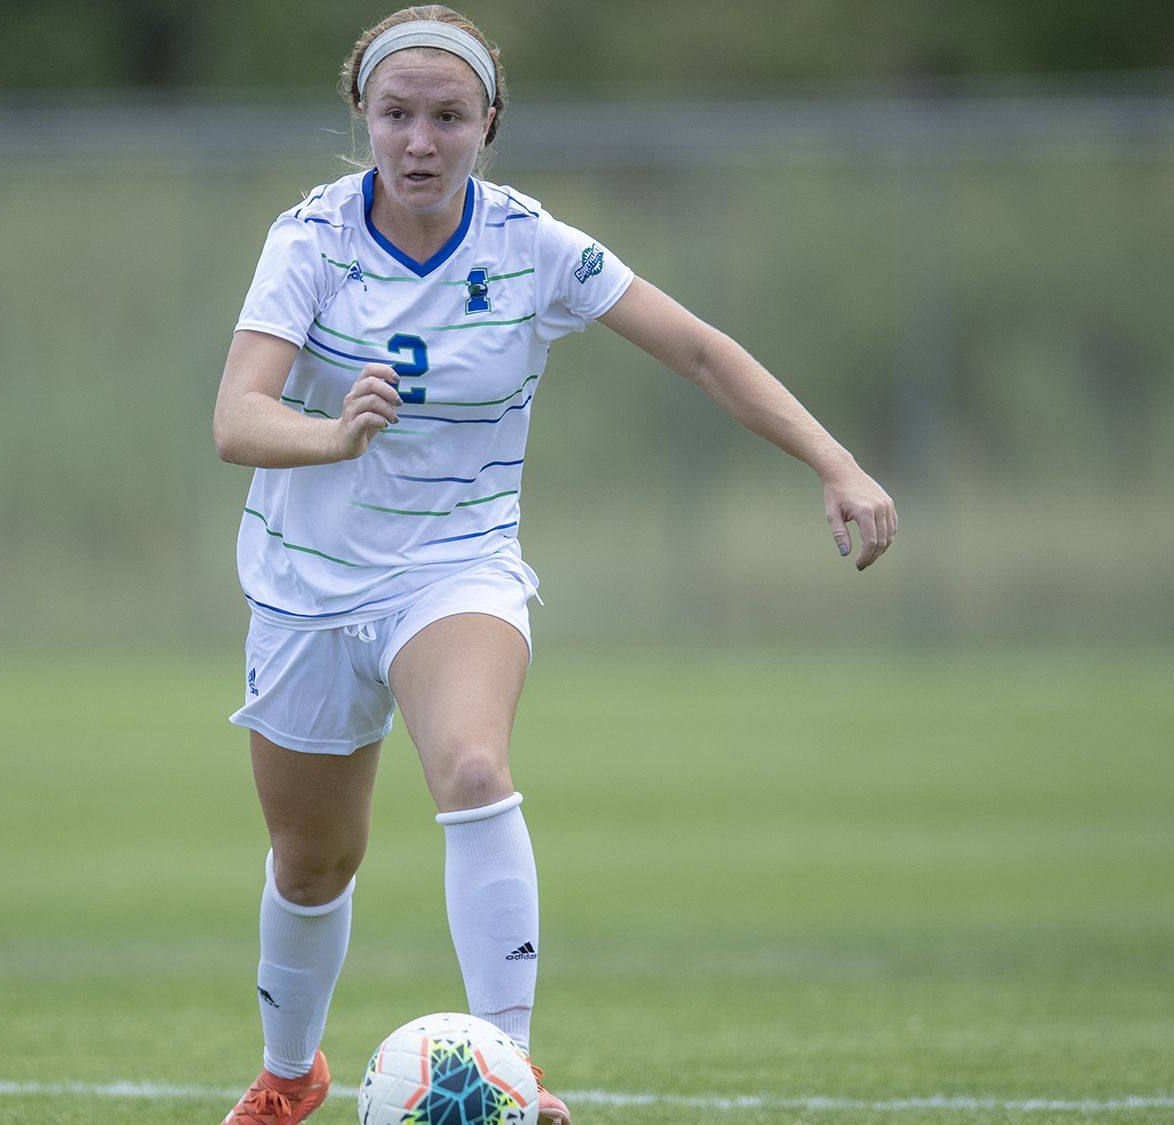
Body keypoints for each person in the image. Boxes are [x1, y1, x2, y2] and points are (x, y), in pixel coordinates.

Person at [210, 8, 898, 1125]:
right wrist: (332, 433)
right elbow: (235, 420)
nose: (419, 141)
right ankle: (290, 1075)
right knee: (309, 863)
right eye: (396, 115)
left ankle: (512, 1077)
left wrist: (835, 463)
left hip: (454, 568)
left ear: (488, 122)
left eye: (446, 116)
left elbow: (700, 352)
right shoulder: (311, 240)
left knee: (474, 771)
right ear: (361, 118)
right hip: (305, 584)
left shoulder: (532, 245)